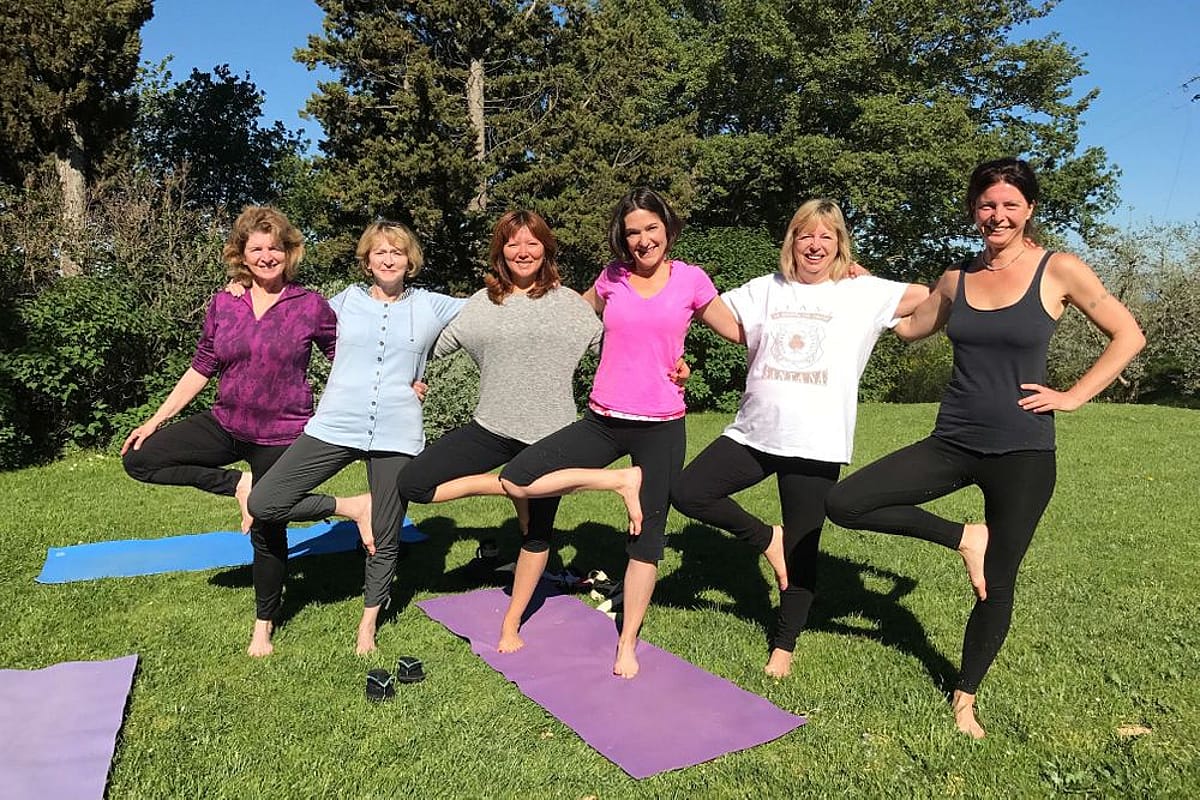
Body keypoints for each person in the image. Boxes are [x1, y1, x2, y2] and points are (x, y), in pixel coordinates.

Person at [824, 157, 1145, 738]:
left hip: (1023, 452)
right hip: (954, 440)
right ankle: (963, 536)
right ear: (975, 209)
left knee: (999, 582)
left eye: (1010, 206)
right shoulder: (956, 280)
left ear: (1029, 211)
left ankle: (965, 696)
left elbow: (1129, 334)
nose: (998, 215)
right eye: (988, 205)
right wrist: (867, 287)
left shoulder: (1059, 269)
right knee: (845, 504)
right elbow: (908, 330)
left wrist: (1073, 396)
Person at [671, 198, 929, 679]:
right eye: (805, 235)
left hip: (816, 441)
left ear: (840, 245)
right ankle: (768, 538)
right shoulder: (766, 289)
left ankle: (784, 644)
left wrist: (868, 277)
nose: (815, 244)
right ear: (792, 239)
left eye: (826, 236)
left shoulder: (863, 291)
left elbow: (929, 297)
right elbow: (716, 315)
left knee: (804, 546)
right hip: (754, 431)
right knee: (689, 491)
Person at [498, 187, 742, 679]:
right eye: (632, 232)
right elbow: (569, 315)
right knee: (518, 477)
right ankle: (618, 481)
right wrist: (514, 304)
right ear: (623, 238)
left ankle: (626, 642)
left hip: (661, 428)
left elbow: (738, 331)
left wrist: (823, 294)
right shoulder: (611, 278)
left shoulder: (691, 280)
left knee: (646, 540)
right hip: (603, 421)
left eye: (651, 228)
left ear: (667, 229)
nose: (642, 240)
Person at [246, 221, 464, 656]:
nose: (388, 259)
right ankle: (350, 508)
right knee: (265, 501)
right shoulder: (341, 303)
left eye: (397, 252)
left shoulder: (432, 306)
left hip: (397, 430)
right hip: (335, 424)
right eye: (379, 252)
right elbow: (284, 310)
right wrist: (242, 287)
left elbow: (490, 310)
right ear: (366, 260)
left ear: (410, 261)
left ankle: (368, 625)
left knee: (386, 534)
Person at [120, 205, 337, 563]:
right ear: (242, 256)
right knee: (140, 459)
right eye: (257, 249)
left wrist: (399, 383)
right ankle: (240, 485)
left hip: (281, 432)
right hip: (227, 423)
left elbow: (344, 357)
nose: (267, 257)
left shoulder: (310, 305)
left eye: (274, 248)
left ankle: (265, 617)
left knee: (267, 526)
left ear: (289, 251)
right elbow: (202, 366)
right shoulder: (225, 302)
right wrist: (155, 420)